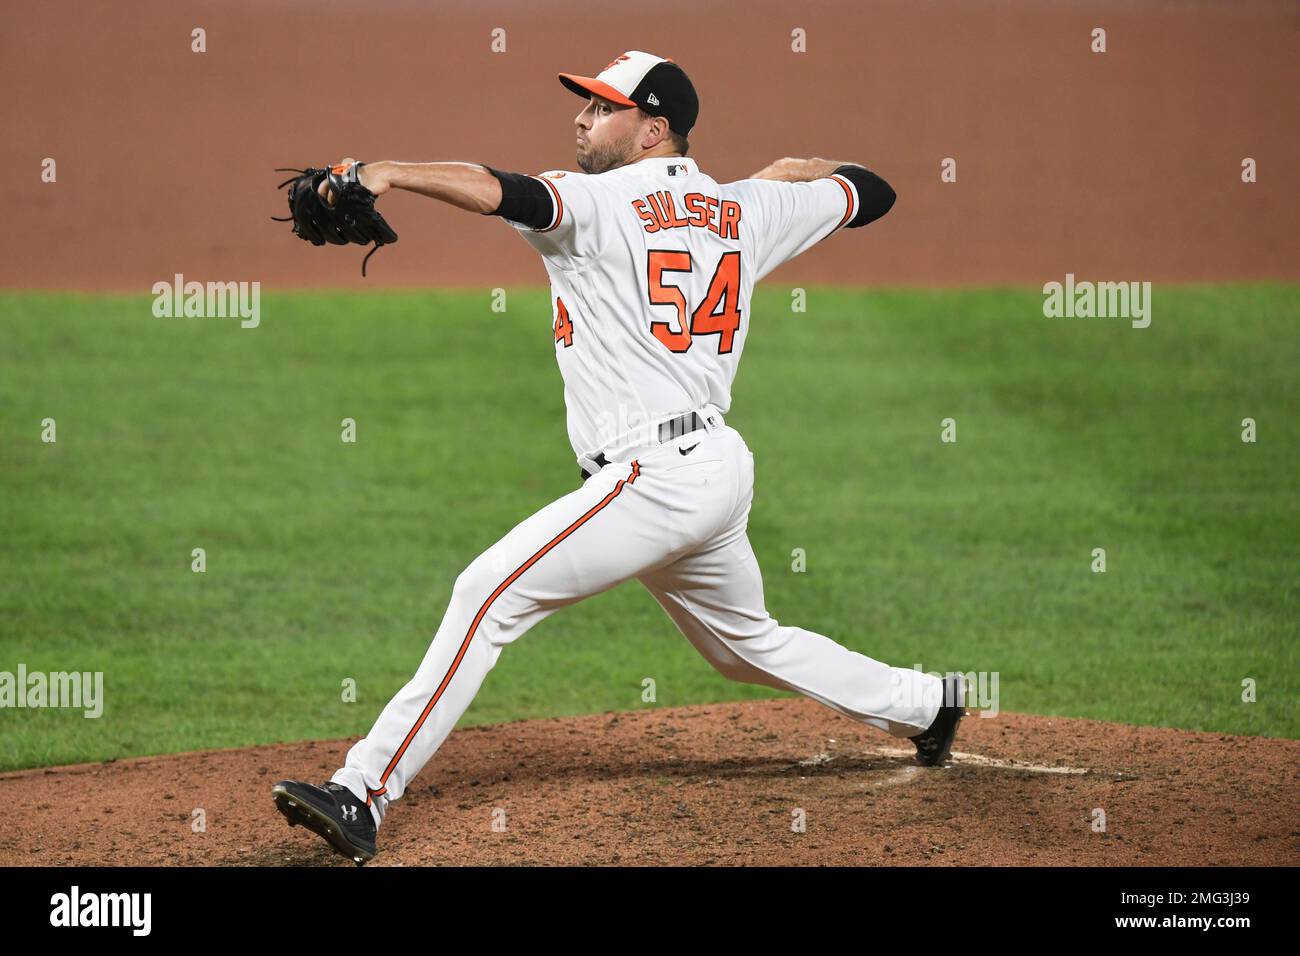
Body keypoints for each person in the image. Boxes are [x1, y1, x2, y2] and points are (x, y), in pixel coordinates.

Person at [272, 50, 964, 866]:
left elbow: (502, 189)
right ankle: (928, 705)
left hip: (655, 476)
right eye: (587, 104)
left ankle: (362, 790)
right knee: (741, 645)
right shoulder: (746, 209)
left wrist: (387, 172)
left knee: (486, 594)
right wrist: (789, 175)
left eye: (603, 108)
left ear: (653, 129)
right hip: (714, 465)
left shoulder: (598, 202)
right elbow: (871, 192)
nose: (582, 118)